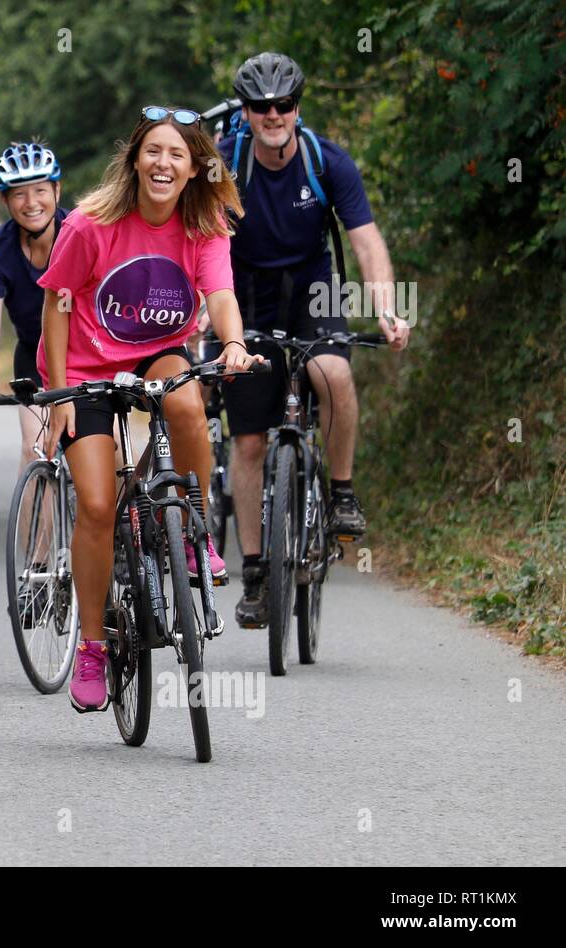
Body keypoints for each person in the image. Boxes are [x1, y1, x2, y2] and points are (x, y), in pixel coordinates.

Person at [37, 106, 263, 713]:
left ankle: (190, 526)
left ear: (194, 170)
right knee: (96, 504)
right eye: (154, 152)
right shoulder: (90, 223)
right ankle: (91, 645)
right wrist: (59, 395)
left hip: (157, 351)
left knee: (188, 405)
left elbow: (219, 296)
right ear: (136, 159)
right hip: (85, 364)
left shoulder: (205, 226)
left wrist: (234, 344)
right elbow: (56, 305)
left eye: (178, 155)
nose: (164, 164)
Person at [218, 52, 409, 628]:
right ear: (247, 112)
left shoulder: (329, 162)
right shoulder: (225, 165)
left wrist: (387, 311)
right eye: (261, 106)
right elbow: (196, 239)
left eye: (284, 105)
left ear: (298, 107)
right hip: (244, 293)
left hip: (312, 286)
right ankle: (254, 573)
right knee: (249, 441)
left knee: (333, 373)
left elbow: (368, 242)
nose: (274, 115)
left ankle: (343, 491)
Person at [0, 141, 68, 465]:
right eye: (19, 194)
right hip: (33, 355)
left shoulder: (81, 233)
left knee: (110, 455)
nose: (31, 203)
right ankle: (35, 515)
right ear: (4, 199)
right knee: (35, 452)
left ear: (57, 190)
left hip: (86, 356)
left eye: (40, 190)